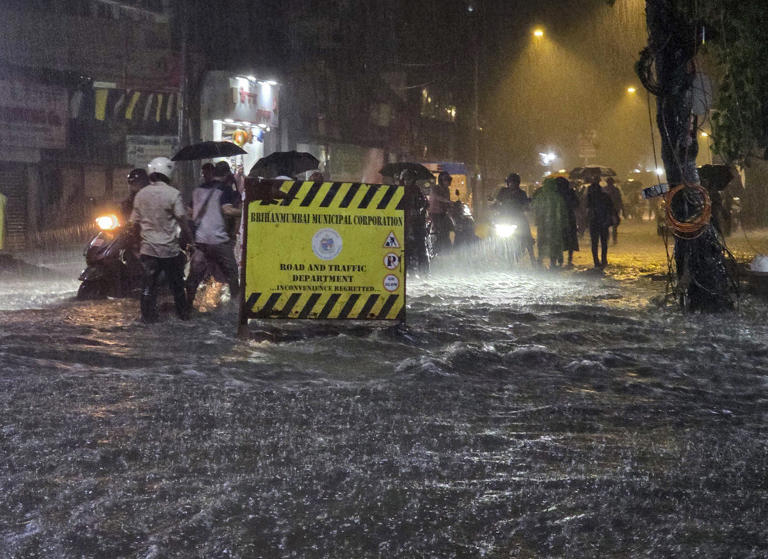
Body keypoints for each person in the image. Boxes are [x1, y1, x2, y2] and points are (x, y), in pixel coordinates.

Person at [129, 157, 192, 323]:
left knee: (148, 286)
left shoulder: (141, 194)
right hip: (169, 250)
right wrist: (190, 238)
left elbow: (133, 223)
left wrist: (137, 244)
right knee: (177, 285)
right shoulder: (173, 194)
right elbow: (182, 219)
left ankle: (147, 318)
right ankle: (183, 316)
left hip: (148, 250)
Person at [186, 160, 241, 308]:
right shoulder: (225, 190)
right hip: (218, 241)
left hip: (201, 241)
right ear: (226, 174)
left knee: (194, 277)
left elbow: (190, 212)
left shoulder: (198, 190)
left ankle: (187, 307)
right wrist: (245, 212)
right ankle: (236, 309)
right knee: (232, 274)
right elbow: (228, 210)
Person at [494, 173, 535, 264]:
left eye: (514, 182)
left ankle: (533, 260)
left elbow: (526, 204)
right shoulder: (503, 191)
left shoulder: (522, 193)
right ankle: (496, 252)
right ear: (508, 183)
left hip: (518, 218)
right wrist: (494, 206)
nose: (512, 184)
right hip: (504, 218)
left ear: (518, 183)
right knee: (494, 233)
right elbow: (497, 202)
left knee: (527, 235)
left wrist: (526, 207)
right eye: (511, 182)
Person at [531, 177, 567, 269]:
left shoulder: (540, 197)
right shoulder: (558, 197)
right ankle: (553, 261)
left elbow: (533, 208)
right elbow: (563, 212)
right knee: (554, 243)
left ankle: (540, 259)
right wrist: (564, 223)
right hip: (555, 225)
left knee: (542, 242)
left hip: (542, 224)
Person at [400, 168, 429, 275]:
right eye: (406, 178)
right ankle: (406, 269)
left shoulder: (417, 190)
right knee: (405, 247)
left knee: (420, 246)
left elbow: (424, 203)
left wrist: (418, 209)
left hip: (417, 223)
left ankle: (423, 271)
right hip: (404, 223)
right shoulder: (399, 190)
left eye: (410, 179)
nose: (408, 180)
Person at [586, 173, 615, 268]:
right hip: (603, 222)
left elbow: (587, 208)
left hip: (594, 222)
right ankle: (604, 259)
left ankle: (596, 261)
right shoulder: (605, 196)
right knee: (603, 242)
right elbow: (611, 209)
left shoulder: (590, 198)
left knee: (594, 242)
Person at [556, 177, 580, 267]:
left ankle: (562, 259)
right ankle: (566, 259)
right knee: (568, 239)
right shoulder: (569, 192)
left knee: (564, 239)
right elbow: (577, 204)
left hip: (565, 218)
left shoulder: (564, 193)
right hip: (565, 218)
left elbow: (577, 203)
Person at [429, 172, 453, 255]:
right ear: (441, 180)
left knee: (448, 228)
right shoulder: (435, 188)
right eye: (446, 180)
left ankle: (447, 248)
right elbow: (438, 197)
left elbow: (448, 202)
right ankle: (436, 248)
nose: (448, 182)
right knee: (439, 230)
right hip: (435, 213)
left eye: (449, 180)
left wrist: (451, 208)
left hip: (443, 213)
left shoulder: (447, 190)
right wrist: (447, 201)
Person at [603, 177, 623, 245]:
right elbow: (619, 200)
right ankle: (614, 239)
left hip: (608, 210)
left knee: (607, 225)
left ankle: (608, 239)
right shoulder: (616, 190)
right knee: (614, 225)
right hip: (613, 210)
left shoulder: (604, 189)